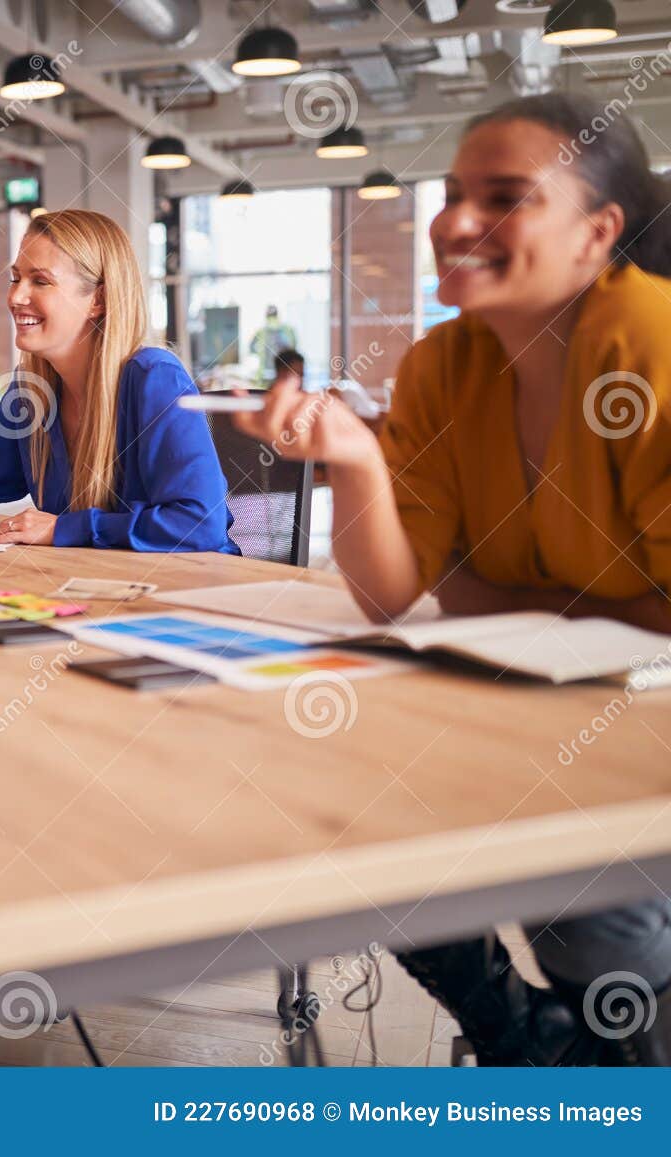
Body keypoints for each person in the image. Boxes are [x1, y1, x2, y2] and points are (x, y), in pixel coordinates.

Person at [237, 93, 671, 1064]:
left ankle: (613, 1052)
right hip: (551, 699)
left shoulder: (653, 344)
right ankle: (519, 1031)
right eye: (450, 194)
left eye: (503, 197)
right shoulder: (442, 362)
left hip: (637, 736)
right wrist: (352, 458)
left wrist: (494, 593)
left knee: (585, 897)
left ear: (598, 232)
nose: (453, 223)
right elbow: (399, 592)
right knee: (359, 799)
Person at [0, 209, 236, 554]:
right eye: (15, 279)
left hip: (189, 591)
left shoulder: (154, 380)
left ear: (98, 300)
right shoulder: (30, 393)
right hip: (91, 587)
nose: (15, 297)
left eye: (40, 281)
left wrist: (64, 528)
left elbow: (199, 524)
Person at [249, 305, 298, 382]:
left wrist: (260, 353)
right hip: (282, 371)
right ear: (277, 315)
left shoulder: (261, 330)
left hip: (265, 370)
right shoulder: (287, 329)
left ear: (266, 316)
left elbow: (251, 348)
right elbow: (293, 347)